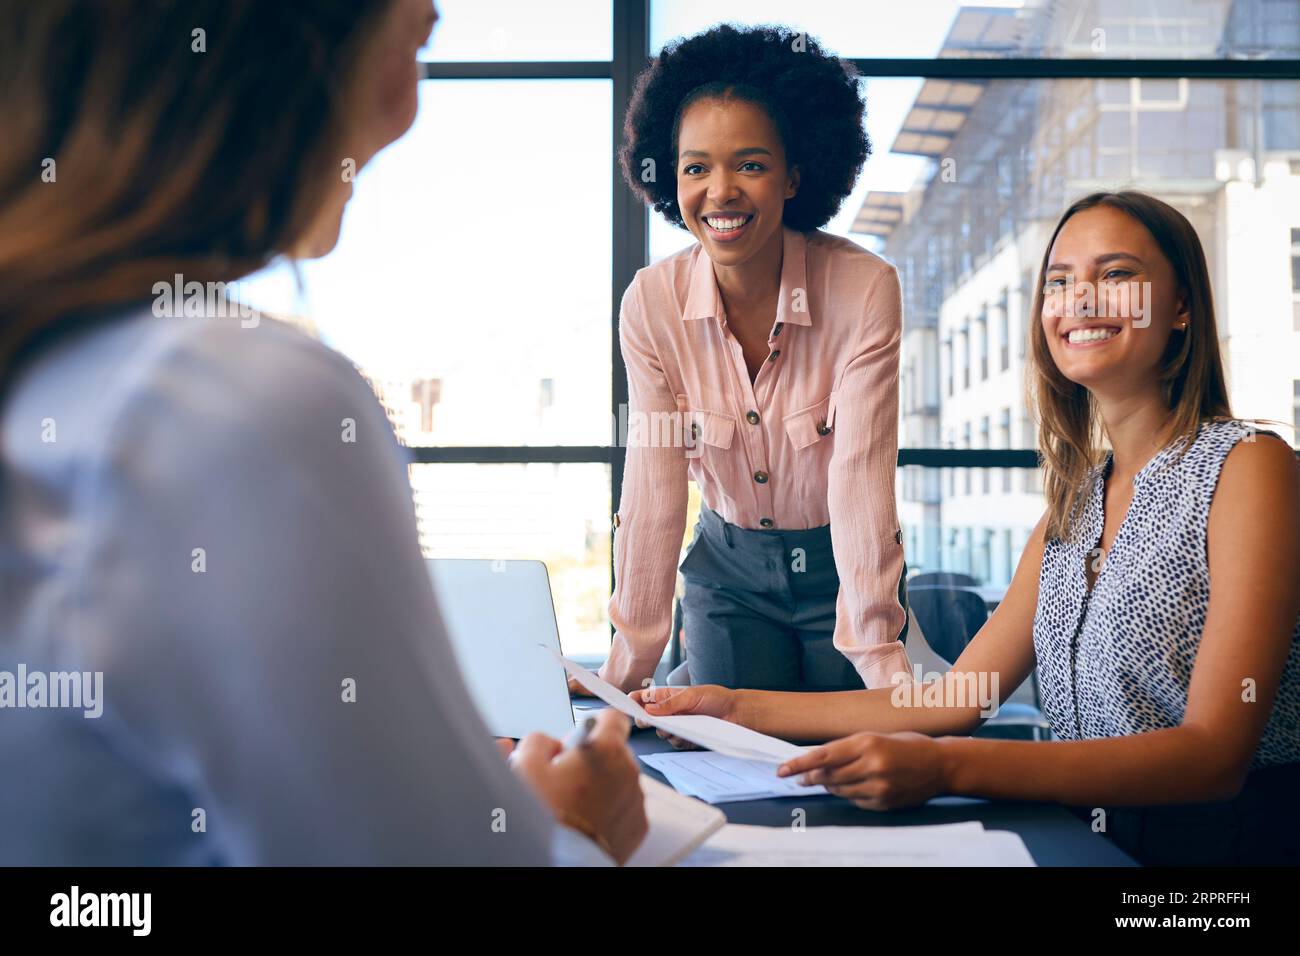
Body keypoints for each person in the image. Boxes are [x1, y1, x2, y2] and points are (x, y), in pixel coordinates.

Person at [0, 0, 646, 866]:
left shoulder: (70, 376)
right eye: (416, 35)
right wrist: (566, 831)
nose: (412, 98)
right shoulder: (228, 402)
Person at [632, 190, 1300, 865]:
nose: (1080, 300)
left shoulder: (1250, 469)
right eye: (1059, 282)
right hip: (1083, 838)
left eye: (1117, 275)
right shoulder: (1074, 506)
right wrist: (731, 707)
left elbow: (1215, 755)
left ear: (1181, 307)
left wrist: (949, 768)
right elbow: (956, 699)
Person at [591, 24, 911, 696]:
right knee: (726, 741)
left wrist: (882, 666)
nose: (721, 191)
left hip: (839, 572)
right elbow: (653, 486)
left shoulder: (863, 289)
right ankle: (685, 671)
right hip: (727, 573)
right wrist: (626, 668)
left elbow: (860, 482)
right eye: (696, 167)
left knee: (837, 756)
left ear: (795, 175)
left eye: (752, 165)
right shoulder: (651, 303)